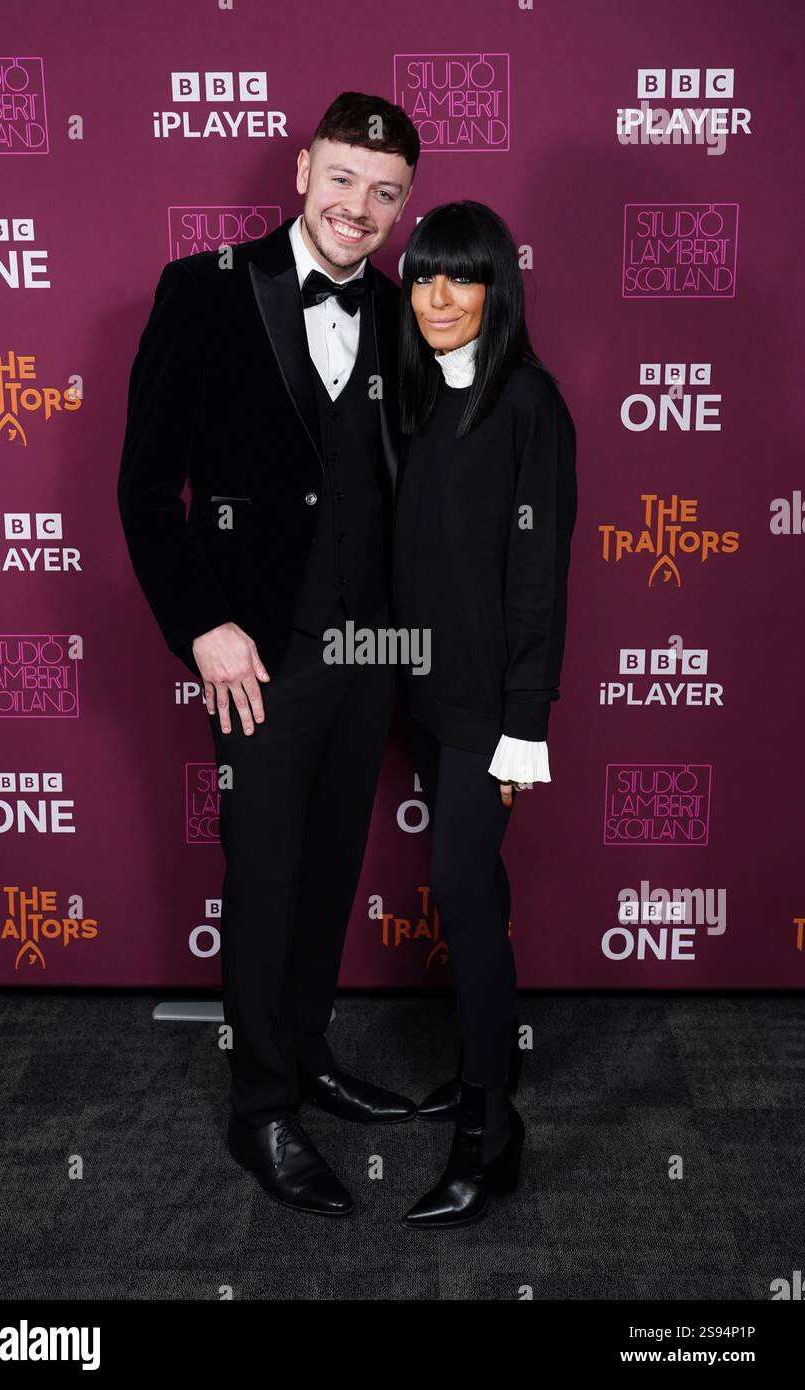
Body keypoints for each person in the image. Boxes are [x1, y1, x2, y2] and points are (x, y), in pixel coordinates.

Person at [117, 92, 421, 1218]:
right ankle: (260, 1108)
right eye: (342, 179)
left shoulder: (399, 312)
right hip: (255, 654)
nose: (359, 209)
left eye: (385, 193)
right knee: (266, 875)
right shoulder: (202, 292)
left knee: (334, 860)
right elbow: (146, 493)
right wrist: (205, 626)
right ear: (302, 170)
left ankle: (306, 1055)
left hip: (369, 645)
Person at [392, 200, 578, 1228]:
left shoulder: (529, 404)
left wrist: (524, 726)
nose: (438, 298)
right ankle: (477, 1071)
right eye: (423, 277)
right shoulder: (417, 395)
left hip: (491, 713)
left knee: (461, 893)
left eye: (460, 278)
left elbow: (536, 581)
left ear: (496, 287)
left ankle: (488, 1125)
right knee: (471, 892)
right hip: (423, 695)